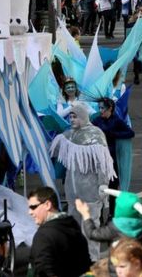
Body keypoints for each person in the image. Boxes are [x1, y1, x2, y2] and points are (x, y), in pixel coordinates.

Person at [49, 103, 113, 260]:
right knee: (75, 228)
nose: (71, 119)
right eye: (70, 116)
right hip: (73, 193)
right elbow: (54, 148)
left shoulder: (95, 134)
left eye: (75, 116)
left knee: (90, 227)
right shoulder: (69, 134)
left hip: (90, 192)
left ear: (83, 117)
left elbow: (102, 163)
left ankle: (92, 259)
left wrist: (103, 183)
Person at [27, 186, 92, 277]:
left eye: (33, 207)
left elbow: (44, 271)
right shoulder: (72, 225)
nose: (30, 212)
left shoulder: (43, 236)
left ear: (47, 205)